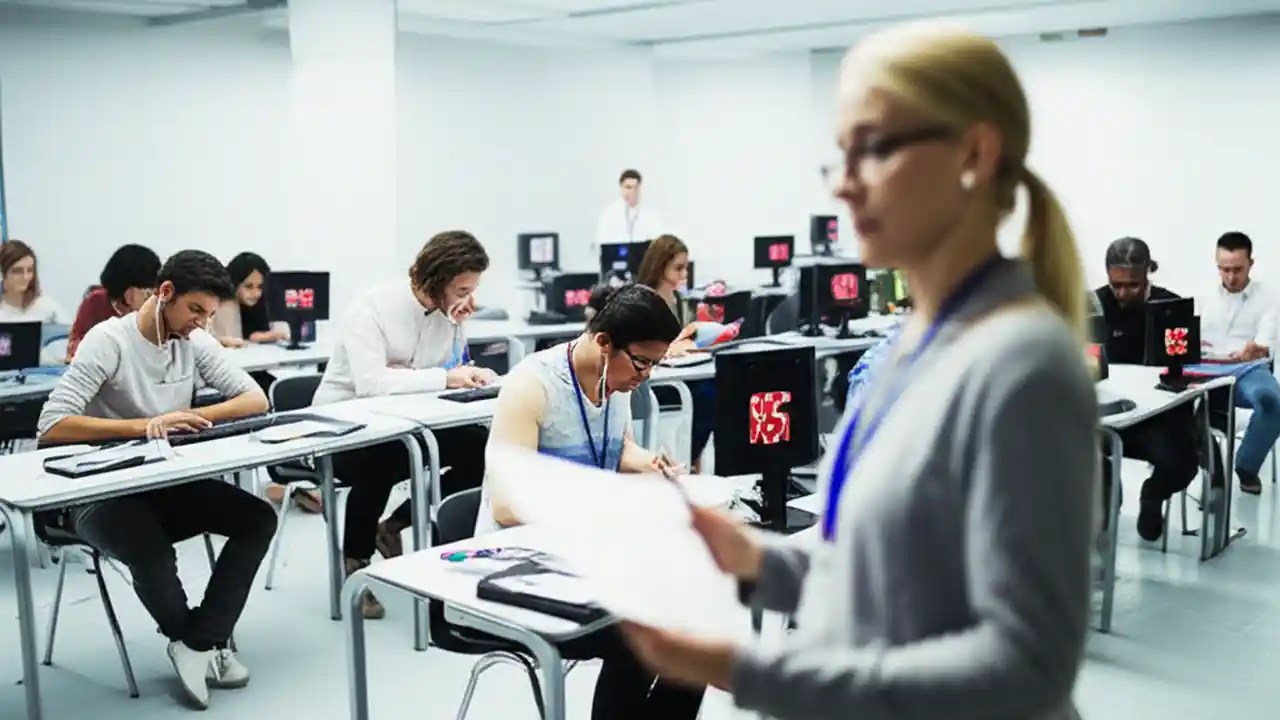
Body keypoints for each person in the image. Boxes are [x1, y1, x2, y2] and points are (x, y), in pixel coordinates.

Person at [619, 24, 1097, 720]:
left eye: (873, 149)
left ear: (974, 152)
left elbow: (1026, 667)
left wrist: (753, 671)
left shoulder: (1024, 364)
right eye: (839, 155)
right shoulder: (917, 341)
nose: (843, 184)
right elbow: (885, 573)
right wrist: (754, 559)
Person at [36, 250, 276, 711]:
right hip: (98, 490)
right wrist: (147, 424)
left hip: (166, 478)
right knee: (149, 547)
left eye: (209, 314)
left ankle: (198, 642)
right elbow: (52, 425)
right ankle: (194, 639)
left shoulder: (193, 338)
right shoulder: (109, 339)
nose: (202, 324)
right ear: (165, 293)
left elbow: (254, 399)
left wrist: (192, 417)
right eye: (195, 311)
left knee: (257, 518)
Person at [480, 282, 704, 720]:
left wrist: (649, 464)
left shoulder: (613, 384)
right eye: (642, 363)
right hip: (520, 564)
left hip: (589, 553)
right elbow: (506, 507)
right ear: (604, 343)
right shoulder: (532, 385)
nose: (645, 376)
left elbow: (615, 450)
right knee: (638, 627)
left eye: (655, 365)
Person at [314, 230, 495, 619]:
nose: (469, 298)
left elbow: (431, 370)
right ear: (437, 279)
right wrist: (439, 378)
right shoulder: (372, 308)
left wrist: (456, 330)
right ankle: (356, 564)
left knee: (482, 447)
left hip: (408, 422)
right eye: (462, 289)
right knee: (381, 457)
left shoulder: (445, 313)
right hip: (342, 428)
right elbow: (372, 384)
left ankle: (393, 525)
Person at [1094, 237, 1208, 538]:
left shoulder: (1171, 306)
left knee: (1184, 460)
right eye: (1115, 284)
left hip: (1158, 417)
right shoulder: (1095, 305)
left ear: (1147, 272)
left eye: (1131, 285)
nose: (1122, 293)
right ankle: (1107, 500)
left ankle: (1153, 495)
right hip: (1110, 413)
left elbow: (1183, 367)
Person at [212, 252, 319, 511]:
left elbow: (269, 333)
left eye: (260, 287)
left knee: (283, 393)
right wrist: (260, 337)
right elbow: (233, 340)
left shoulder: (262, 305)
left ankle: (290, 474)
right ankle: (279, 476)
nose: (255, 293)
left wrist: (263, 336)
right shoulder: (224, 304)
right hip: (226, 380)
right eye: (248, 286)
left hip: (254, 373)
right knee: (269, 396)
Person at [1199, 231, 1280, 494]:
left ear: (1250, 265)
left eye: (1238, 269)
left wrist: (1255, 349)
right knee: (1177, 402)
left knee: (1272, 401)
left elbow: (1266, 345)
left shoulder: (1268, 298)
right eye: (1224, 269)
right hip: (1205, 369)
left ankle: (1246, 467)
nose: (1231, 277)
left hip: (1249, 370)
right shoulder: (1202, 296)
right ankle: (1211, 470)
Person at [636, 235, 715, 468]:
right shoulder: (641, 302)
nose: (684, 274)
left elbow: (685, 338)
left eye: (686, 268)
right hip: (653, 382)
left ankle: (691, 458)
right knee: (707, 396)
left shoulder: (680, 301)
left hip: (681, 374)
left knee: (715, 390)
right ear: (660, 266)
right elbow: (642, 346)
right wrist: (672, 349)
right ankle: (687, 460)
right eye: (678, 268)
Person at [67, 243, 161, 361]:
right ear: (128, 292)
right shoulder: (96, 301)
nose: (151, 296)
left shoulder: (157, 308)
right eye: (146, 291)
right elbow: (77, 345)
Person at [595, 169, 667, 249]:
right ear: (621, 187)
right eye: (628, 187)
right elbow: (602, 242)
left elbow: (660, 239)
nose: (632, 191)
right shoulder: (609, 214)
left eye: (636, 188)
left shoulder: (650, 214)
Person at [0, 239, 68, 323]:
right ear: (2, 273)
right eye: (17, 271)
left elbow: (70, 333)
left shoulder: (48, 307)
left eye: (30, 270)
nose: (25, 277)